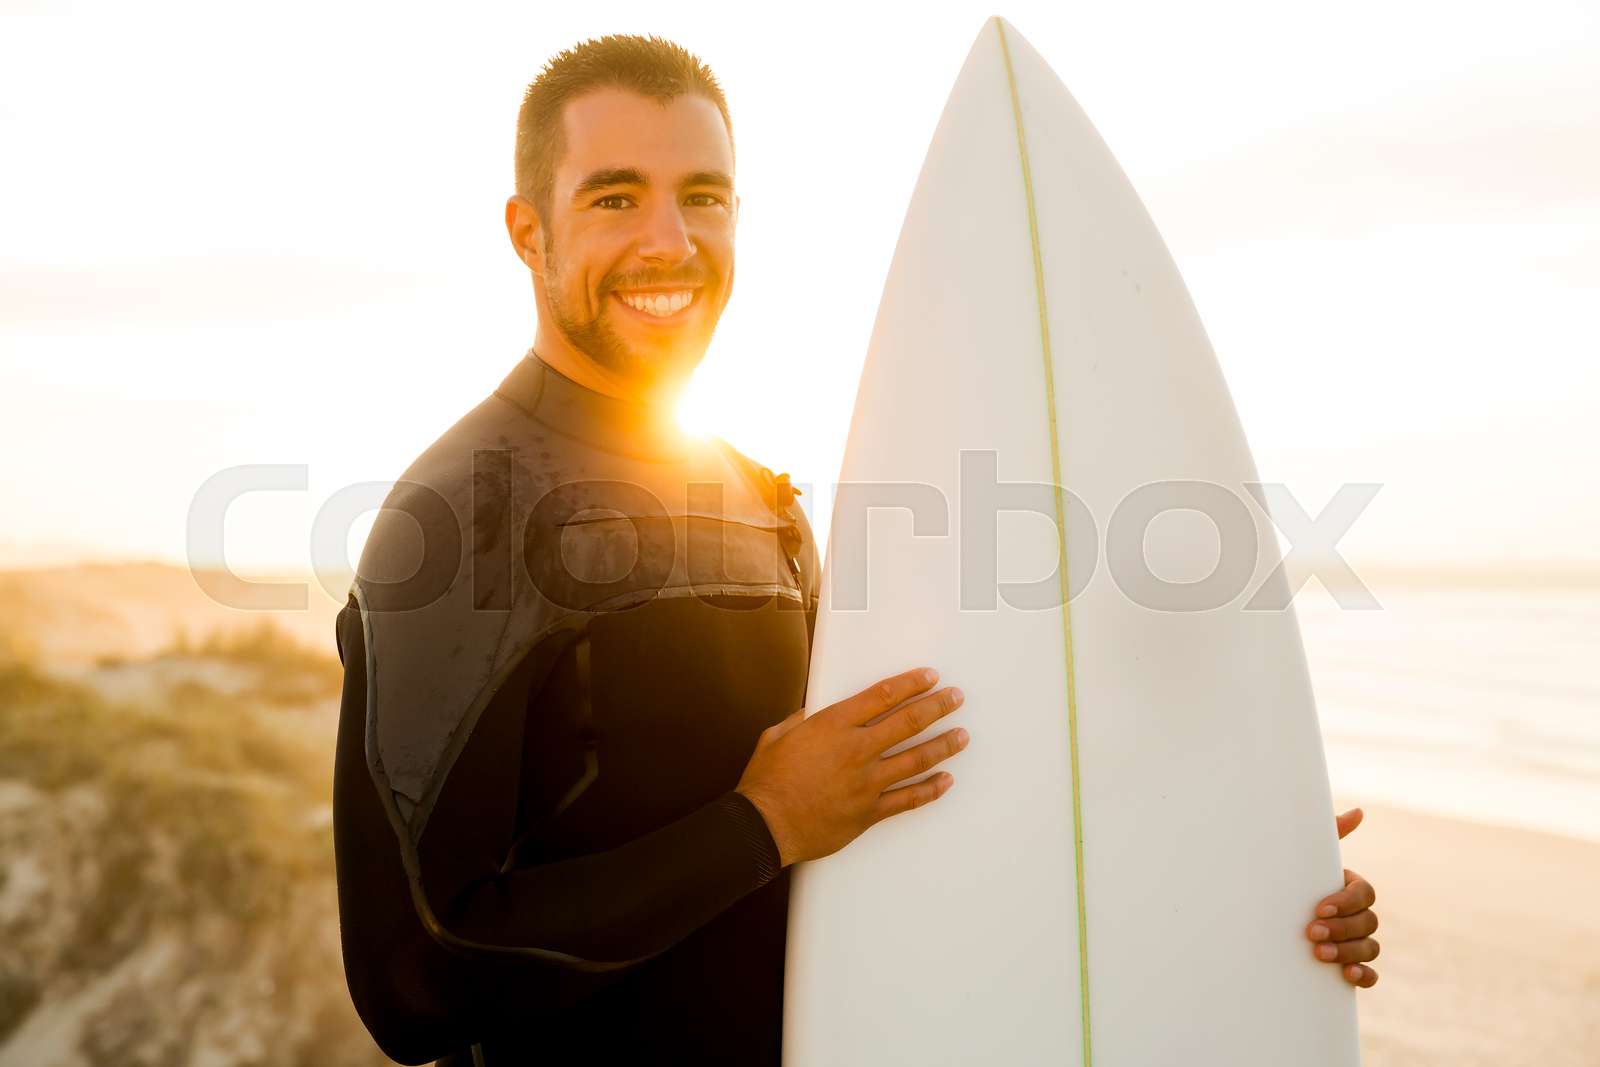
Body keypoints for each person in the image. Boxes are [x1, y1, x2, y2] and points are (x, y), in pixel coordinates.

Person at [331, 33, 1380, 1067]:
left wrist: (1226, 852)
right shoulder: (463, 515)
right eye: (615, 197)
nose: (670, 240)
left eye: (702, 195)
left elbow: (888, 799)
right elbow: (415, 976)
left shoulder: (755, 496)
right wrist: (761, 824)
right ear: (528, 231)